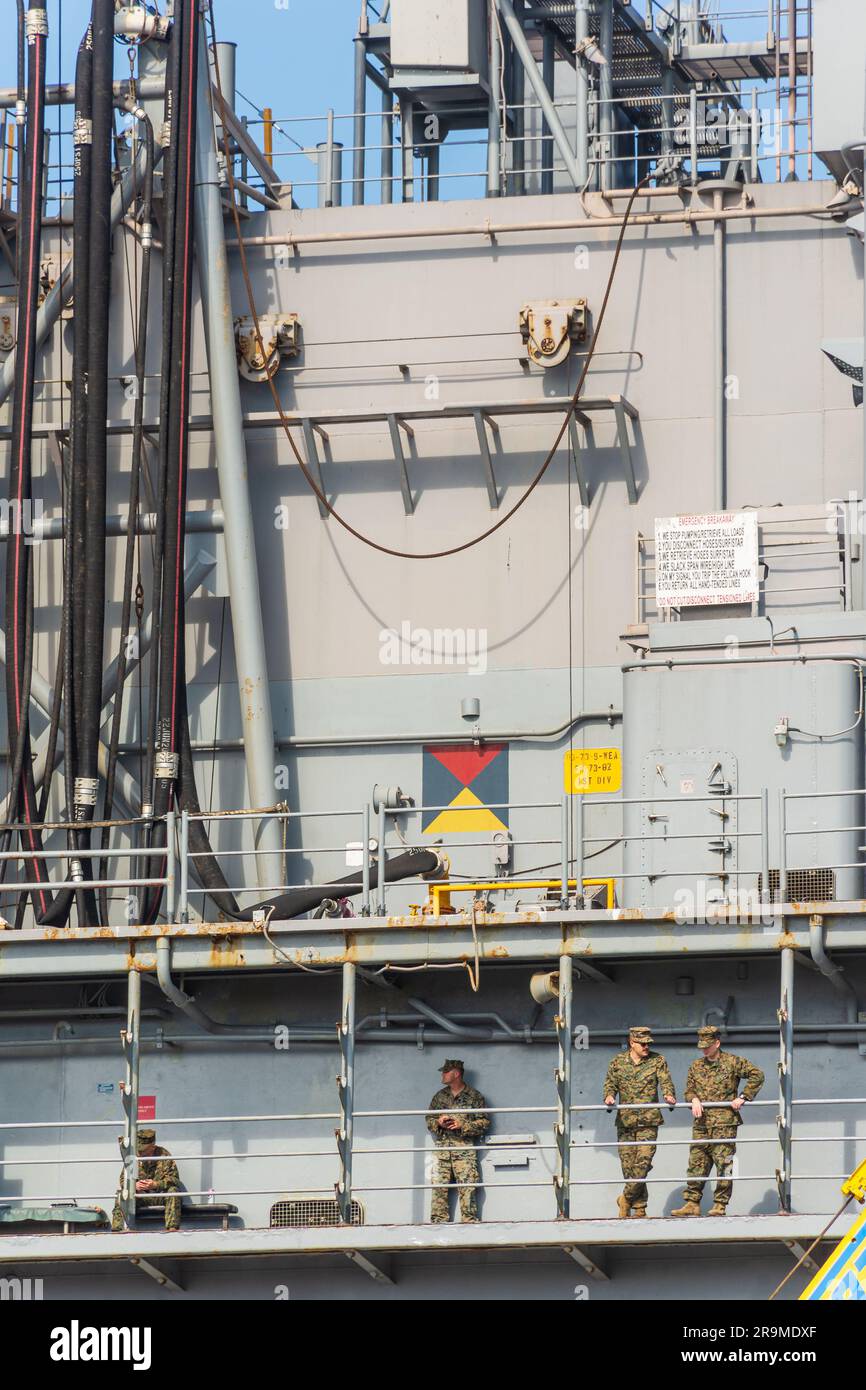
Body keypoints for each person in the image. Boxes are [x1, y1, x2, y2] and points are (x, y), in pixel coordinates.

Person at [672, 1026, 765, 1217]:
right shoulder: (696, 1066)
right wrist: (694, 1100)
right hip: (702, 1123)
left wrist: (743, 1097)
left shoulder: (732, 1062)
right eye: (702, 1047)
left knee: (724, 1163)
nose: (704, 1050)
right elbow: (689, 1090)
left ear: (717, 1043)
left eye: (707, 1046)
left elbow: (757, 1075)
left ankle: (719, 1204)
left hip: (724, 1123)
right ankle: (692, 1203)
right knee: (696, 1161)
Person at [603, 1025, 676, 1218]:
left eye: (648, 1043)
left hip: (648, 1121)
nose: (646, 1047)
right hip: (625, 1122)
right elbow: (610, 1084)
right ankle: (640, 1209)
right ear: (631, 1043)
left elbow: (665, 1081)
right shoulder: (617, 1062)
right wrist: (609, 1096)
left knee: (643, 1163)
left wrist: (669, 1095)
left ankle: (625, 1199)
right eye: (642, 1043)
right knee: (629, 1167)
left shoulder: (657, 1060)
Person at [426, 1059, 489, 1224]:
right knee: (438, 1186)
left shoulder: (475, 1097)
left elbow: (484, 1123)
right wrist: (438, 1122)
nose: (442, 1075)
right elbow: (429, 1119)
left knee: (468, 1187)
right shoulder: (440, 1097)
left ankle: (469, 1221)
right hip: (442, 1150)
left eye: (445, 1072)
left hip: (464, 1149)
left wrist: (463, 1125)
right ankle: (438, 1223)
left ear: (456, 1074)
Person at [111, 1128, 181, 1232]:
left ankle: (172, 1229)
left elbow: (175, 1180)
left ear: (152, 1147)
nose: (141, 1153)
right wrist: (133, 1186)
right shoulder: (134, 1157)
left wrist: (156, 1184)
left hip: (158, 1195)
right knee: (122, 1194)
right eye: (139, 1150)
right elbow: (123, 1180)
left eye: (144, 1150)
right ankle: (118, 1229)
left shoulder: (163, 1155)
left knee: (173, 1192)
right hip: (140, 1196)